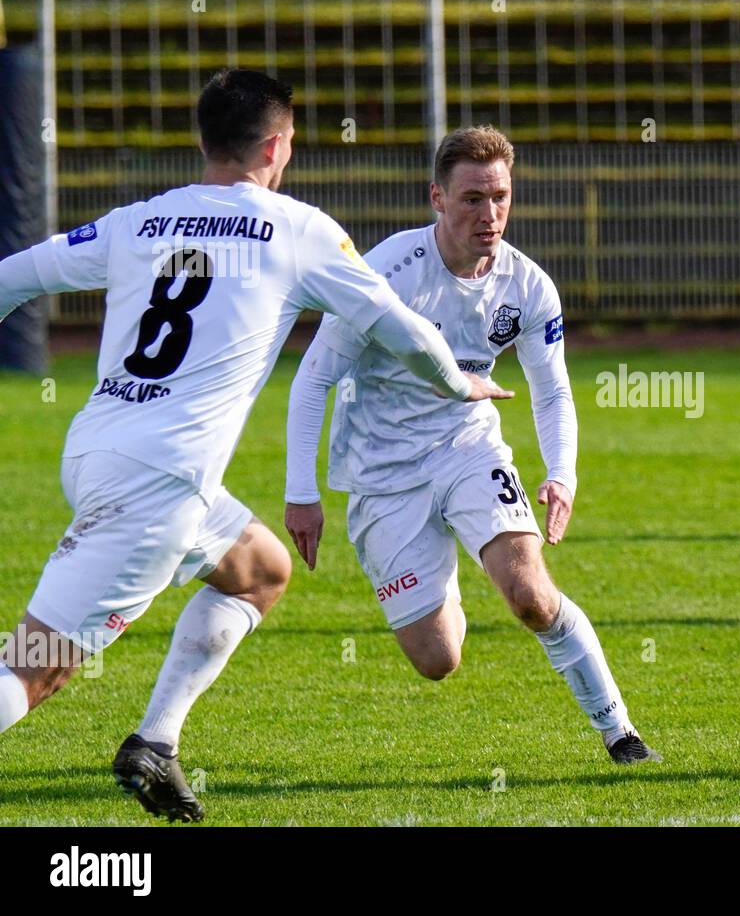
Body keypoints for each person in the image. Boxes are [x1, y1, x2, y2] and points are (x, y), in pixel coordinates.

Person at [0, 69, 510, 821]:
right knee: (34, 667)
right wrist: (456, 381)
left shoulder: (138, 220)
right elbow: (400, 327)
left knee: (258, 570)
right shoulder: (298, 230)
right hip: (158, 484)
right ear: (277, 144)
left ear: (204, 141)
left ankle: (155, 743)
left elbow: (11, 278)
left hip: (102, 451)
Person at [283, 126, 659, 765]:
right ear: (437, 196)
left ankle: (620, 732)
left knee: (531, 597)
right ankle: (443, 571)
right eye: (472, 199)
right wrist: (301, 494)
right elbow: (313, 377)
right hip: (382, 472)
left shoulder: (528, 286)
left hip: (468, 449)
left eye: (501, 197)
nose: (490, 215)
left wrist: (561, 473)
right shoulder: (384, 274)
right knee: (438, 660)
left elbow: (552, 390)